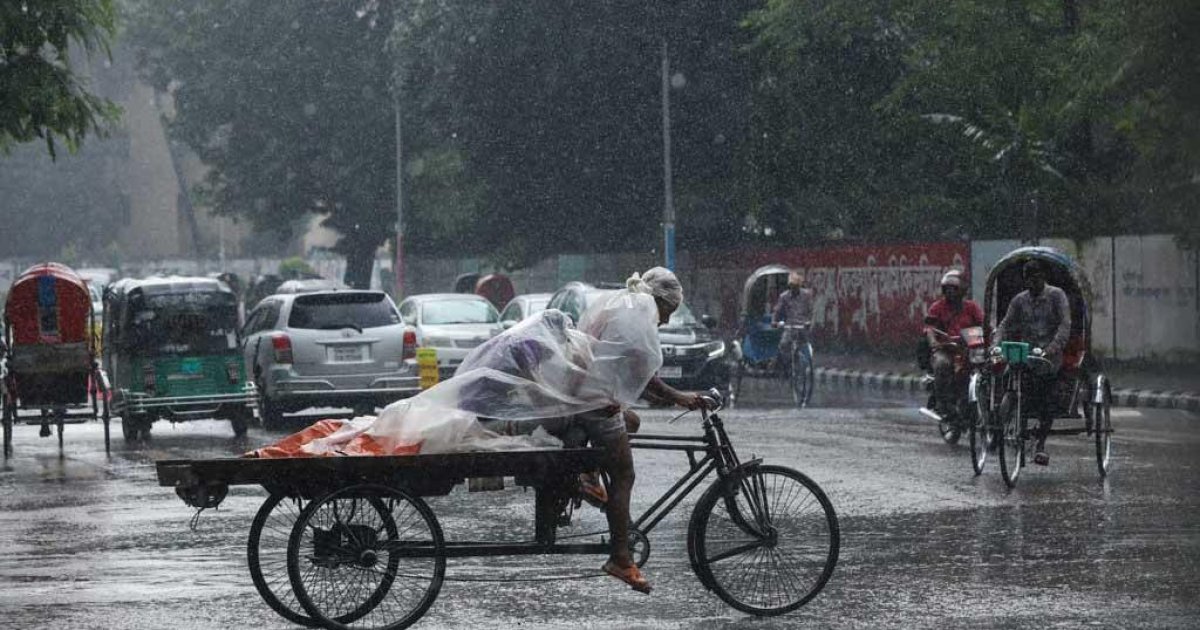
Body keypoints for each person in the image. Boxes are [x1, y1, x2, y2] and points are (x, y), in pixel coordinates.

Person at [993, 260, 1071, 466]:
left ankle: (1040, 445)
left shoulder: (1057, 296)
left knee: (1047, 398)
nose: (1033, 282)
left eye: (1036, 277)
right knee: (1008, 376)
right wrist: (996, 344)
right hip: (1025, 354)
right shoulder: (1019, 300)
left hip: (1049, 356)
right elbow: (1005, 324)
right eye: (1028, 278)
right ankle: (1001, 427)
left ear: (1043, 277)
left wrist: (1051, 349)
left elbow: (1065, 325)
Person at [923, 270, 984, 418]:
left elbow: (983, 324)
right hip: (946, 349)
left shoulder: (971, 307)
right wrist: (934, 342)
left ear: (962, 290)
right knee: (942, 364)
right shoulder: (937, 307)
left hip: (968, 349)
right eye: (947, 289)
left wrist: (990, 334)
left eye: (954, 289)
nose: (950, 292)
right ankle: (942, 404)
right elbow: (930, 328)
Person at [771, 270, 815, 371]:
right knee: (783, 344)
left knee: (807, 345)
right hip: (790, 325)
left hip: (803, 325)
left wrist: (809, 321)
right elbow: (777, 311)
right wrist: (774, 321)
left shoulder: (806, 295)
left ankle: (806, 363)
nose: (793, 288)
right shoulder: (784, 296)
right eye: (791, 286)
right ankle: (787, 365)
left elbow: (811, 310)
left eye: (795, 286)